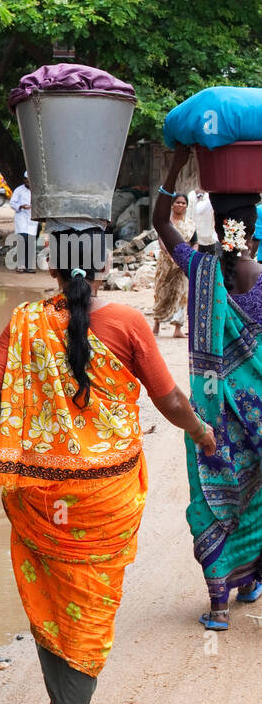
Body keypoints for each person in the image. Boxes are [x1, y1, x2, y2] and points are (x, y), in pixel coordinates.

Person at [0, 230, 215, 704]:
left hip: (37, 492)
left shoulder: (26, 321)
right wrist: (200, 432)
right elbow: (170, 399)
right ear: (102, 265)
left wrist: (41, 429)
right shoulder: (126, 323)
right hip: (104, 495)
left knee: (51, 594)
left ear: (52, 267)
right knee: (89, 604)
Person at [154, 145, 262, 630]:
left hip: (209, 416)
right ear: (255, 232)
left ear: (215, 223)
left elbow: (161, 222)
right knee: (256, 496)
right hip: (258, 414)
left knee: (212, 497)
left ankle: (219, 604)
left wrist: (177, 166)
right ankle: (252, 580)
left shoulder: (199, 271)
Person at [152, 191, 195, 337]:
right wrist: (170, 255)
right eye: (178, 202)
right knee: (161, 291)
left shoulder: (190, 225)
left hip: (183, 263)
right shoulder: (166, 223)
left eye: (183, 203)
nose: (180, 205)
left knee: (182, 293)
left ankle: (178, 328)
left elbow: (195, 242)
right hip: (166, 262)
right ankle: (157, 323)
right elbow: (161, 240)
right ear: (172, 205)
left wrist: (190, 256)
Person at [10, 174, 38, 271]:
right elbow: (12, 203)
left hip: (32, 220)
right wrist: (21, 206)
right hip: (21, 219)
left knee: (30, 242)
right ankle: (21, 265)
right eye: (26, 180)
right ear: (24, 180)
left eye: (30, 180)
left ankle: (30, 266)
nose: (28, 182)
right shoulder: (19, 190)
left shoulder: (36, 190)